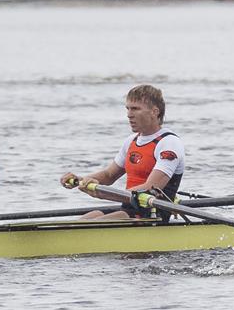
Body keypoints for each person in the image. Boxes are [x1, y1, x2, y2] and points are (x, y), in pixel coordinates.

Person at [60, 83, 185, 220]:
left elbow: (151, 188)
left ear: (154, 112)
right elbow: (109, 175)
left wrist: (103, 194)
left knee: (93, 224)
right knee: (86, 218)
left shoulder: (169, 143)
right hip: (130, 209)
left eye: (135, 109)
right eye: (128, 109)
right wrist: (83, 180)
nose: (129, 115)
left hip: (153, 215)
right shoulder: (131, 141)